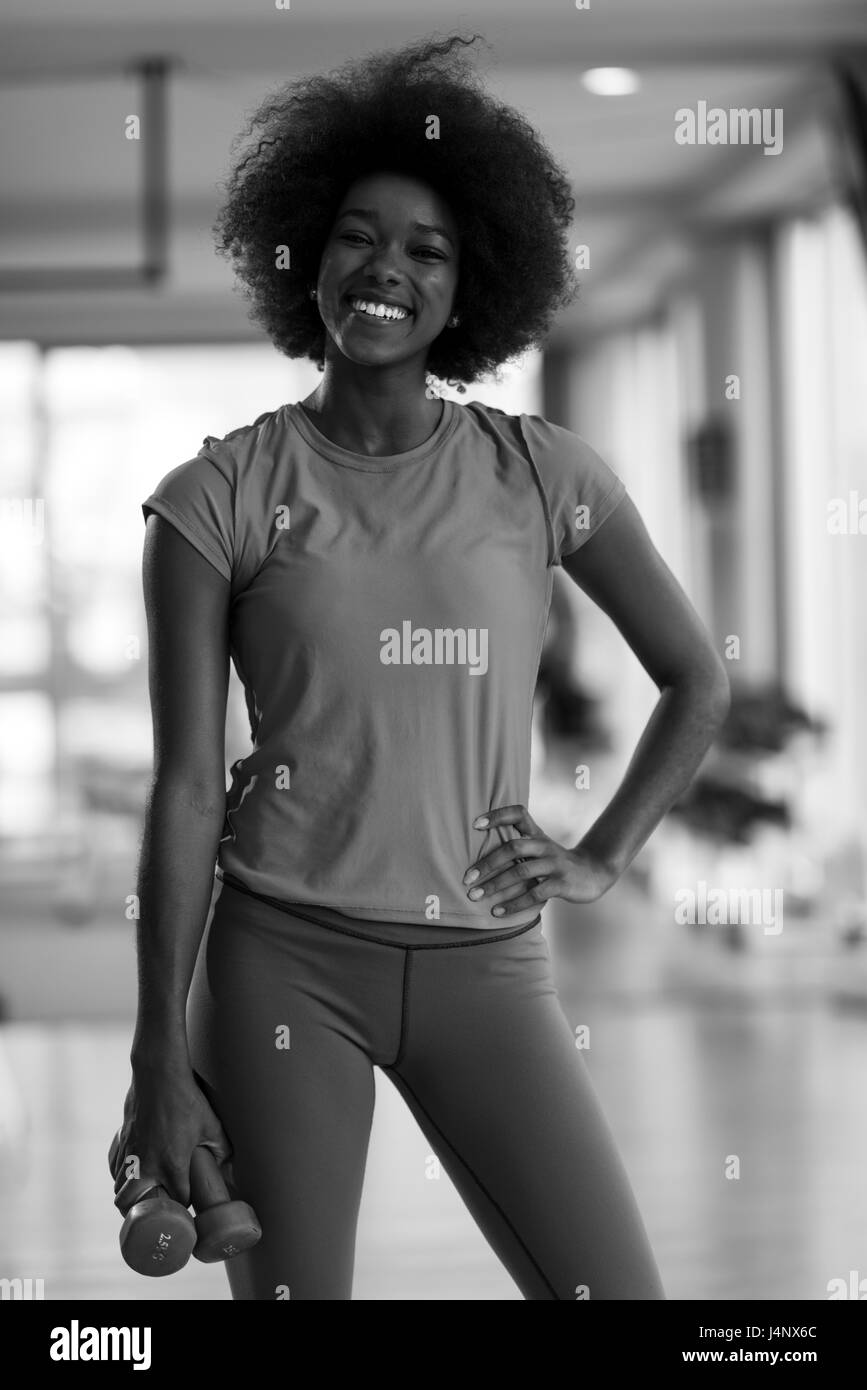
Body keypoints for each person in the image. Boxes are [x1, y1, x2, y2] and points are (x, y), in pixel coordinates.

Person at [110, 34, 730, 1300]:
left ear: (469, 288)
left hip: (487, 965)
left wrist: (601, 852)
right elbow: (184, 787)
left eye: (427, 249)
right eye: (355, 235)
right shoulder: (215, 498)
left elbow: (693, 676)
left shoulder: (543, 475)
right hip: (282, 957)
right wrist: (155, 1060)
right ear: (308, 258)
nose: (385, 267)